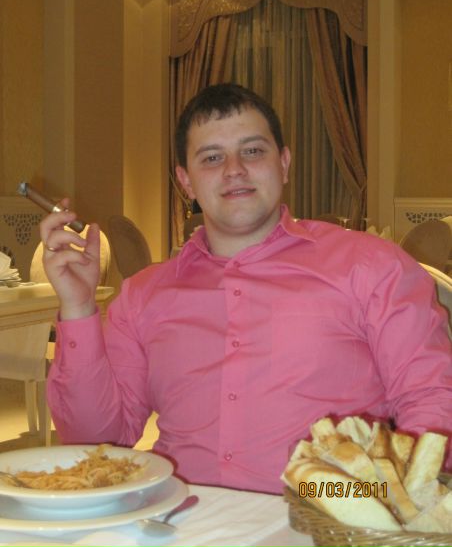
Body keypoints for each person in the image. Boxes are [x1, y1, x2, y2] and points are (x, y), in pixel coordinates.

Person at [42, 83, 452, 495]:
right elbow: (99, 443)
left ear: (284, 164)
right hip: (182, 517)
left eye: (253, 151)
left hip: (323, 518)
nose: (234, 169)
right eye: (212, 157)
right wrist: (78, 307)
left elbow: (433, 401)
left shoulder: (371, 267)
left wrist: (382, 503)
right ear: (186, 182)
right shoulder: (143, 296)